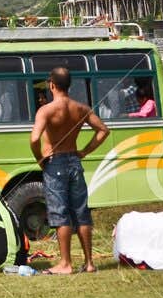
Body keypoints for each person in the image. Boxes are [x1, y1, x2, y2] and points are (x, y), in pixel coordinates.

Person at [29, 66, 110, 275]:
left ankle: (65, 263)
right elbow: (103, 130)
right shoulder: (80, 108)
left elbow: (35, 138)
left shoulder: (46, 110)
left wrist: (39, 158)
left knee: (60, 212)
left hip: (54, 162)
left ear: (52, 85)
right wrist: (84, 151)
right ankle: (89, 262)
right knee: (81, 212)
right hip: (74, 160)